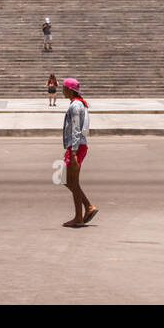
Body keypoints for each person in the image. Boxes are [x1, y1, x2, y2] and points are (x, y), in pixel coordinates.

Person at [61, 77, 97, 228]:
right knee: (67, 180)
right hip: (77, 146)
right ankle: (88, 208)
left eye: (63, 88)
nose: (62, 90)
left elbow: (76, 128)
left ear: (69, 90)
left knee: (71, 182)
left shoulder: (76, 105)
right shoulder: (80, 103)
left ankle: (79, 217)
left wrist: (74, 151)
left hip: (76, 146)